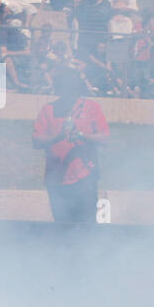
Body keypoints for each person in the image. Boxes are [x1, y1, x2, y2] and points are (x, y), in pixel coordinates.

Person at [32, 72, 110, 223]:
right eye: (64, 89)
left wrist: (81, 135)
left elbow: (105, 139)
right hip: (56, 180)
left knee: (87, 226)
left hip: (85, 178)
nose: (69, 94)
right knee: (62, 225)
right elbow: (36, 141)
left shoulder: (92, 108)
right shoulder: (48, 110)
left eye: (72, 90)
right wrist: (59, 136)